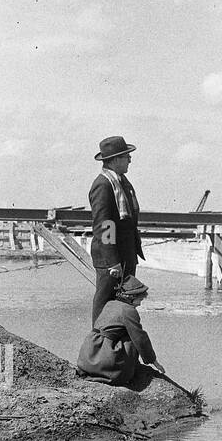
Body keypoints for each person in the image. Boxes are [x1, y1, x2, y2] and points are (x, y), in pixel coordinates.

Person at [89, 135, 145, 324]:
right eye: (126, 156)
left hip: (125, 254)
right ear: (114, 160)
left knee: (124, 302)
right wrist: (112, 262)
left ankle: (116, 346)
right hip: (112, 258)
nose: (130, 159)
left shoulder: (121, 182)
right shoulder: (104, 184)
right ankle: (97, 343)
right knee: (105, 302)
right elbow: (105, 224)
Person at [76, 275, 164, 387]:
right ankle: (117, 372)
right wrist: (153, 360)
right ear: (131, 297)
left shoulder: (110, 304)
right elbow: (140, 338)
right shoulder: (128, 310)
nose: (139, 304)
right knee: (131, 338)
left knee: (124, 333)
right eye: (139, 299)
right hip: (105, 357)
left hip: (89, 355)